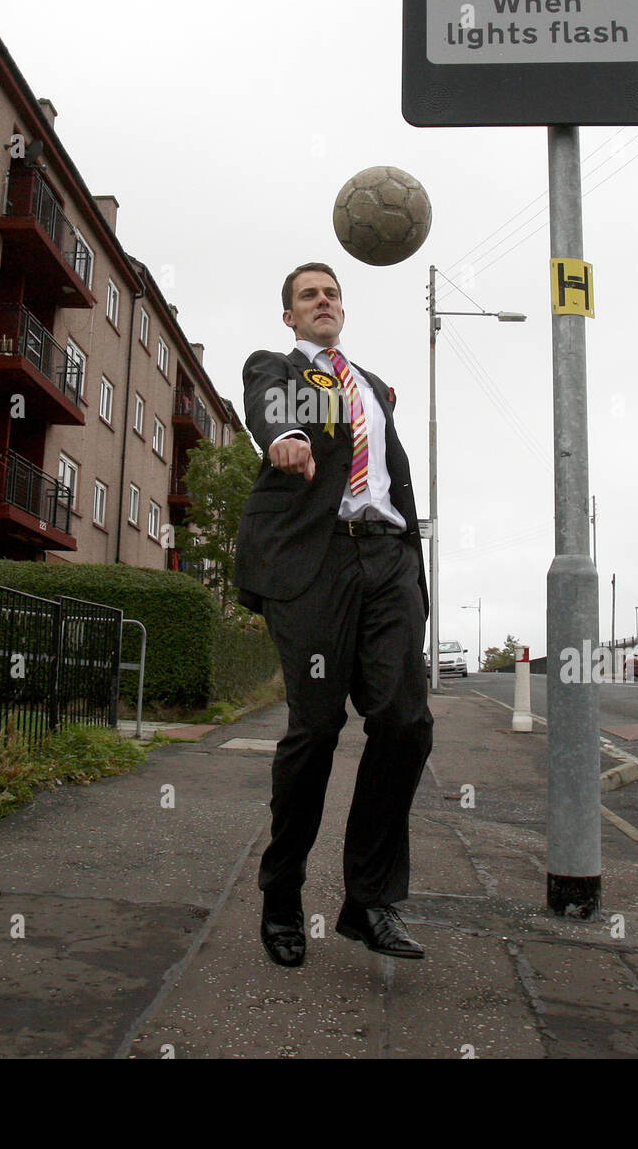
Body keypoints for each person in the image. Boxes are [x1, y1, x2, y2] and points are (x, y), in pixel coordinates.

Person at [234, 262, 433, 966]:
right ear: (289, 316)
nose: (324, 301)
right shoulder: (280, 369)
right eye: (309, 295)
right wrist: (282, 437)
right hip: (317, 565)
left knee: (405, 723)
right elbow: (268, 404)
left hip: (386, 558)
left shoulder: (373, 387)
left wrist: (410, 560)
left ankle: (368, 900)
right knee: (315, 731)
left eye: (332, 293)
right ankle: (280, 893)